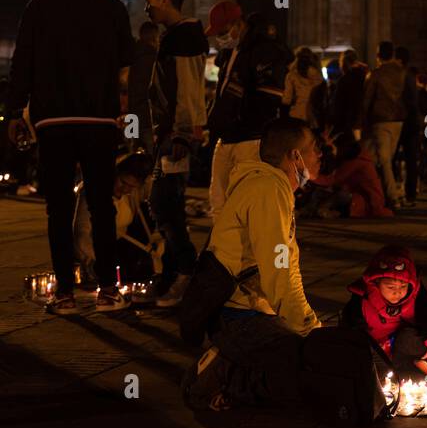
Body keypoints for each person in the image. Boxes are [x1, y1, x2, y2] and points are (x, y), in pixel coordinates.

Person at [6, 0, 135, 315]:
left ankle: (64, 293)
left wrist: (15, 112)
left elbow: (22, 62)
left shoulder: (39, 6)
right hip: (98, 120)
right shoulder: (112, 8)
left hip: (53, 121)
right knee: (101, 206)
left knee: (58, 208)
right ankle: (108, 290)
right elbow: (127, 64)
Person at [181, 117, 320, 412]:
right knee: (306, 370)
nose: (319, 155)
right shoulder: (268, 189)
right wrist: (309, 327)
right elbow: (278, 271)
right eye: (314, 148)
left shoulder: (270, 185)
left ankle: (235, 358)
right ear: (294, 156)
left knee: (312, 356)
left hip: (252, 308)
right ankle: (222, 376)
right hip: (238, 314)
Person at [144, 0, 208, 309]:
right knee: (163, 204)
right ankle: (170, 274)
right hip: (170, 134)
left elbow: (185, 89)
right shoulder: (179, 36)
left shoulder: (182, 38)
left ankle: (185, 271)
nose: (146, 7)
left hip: (177, 137)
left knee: (165, 203)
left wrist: (182, 133)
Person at [206, 9, 291, 220]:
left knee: (245, 201)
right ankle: (222, 249)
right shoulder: (233, 52)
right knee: (218, 200)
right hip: (227, 136)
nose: (221, 38)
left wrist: (242, 121)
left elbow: (268, 98)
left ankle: (246, 249)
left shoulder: (263, 51)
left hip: (249, 137)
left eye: (223, 31)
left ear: (238, 24)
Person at [341, 245, 427, 377]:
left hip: (419, 337)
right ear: (376, 282)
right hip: (386, 350)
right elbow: (353, 333)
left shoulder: (415, 292)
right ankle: (426, 360)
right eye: (390, 287)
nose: (398, 292)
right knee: (406, 338)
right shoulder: (362, 300)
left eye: (403, 286)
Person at [74, 151, 164, 286]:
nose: (125, 189)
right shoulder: (91, 190)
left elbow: (158, 197)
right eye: (123, 182)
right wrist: (97, 259)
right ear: (115, 174)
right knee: (118, 272)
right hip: (94, 247)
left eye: (132, 186)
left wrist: (158, 236)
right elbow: (81, 234)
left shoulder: (135, 191)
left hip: (120, 241)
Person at [360, 41, 407, 211]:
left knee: (384, 161)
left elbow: (366, 100)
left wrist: (361, 122)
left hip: (381, 120)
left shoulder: (375, 74)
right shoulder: (402, 73)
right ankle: (389, 194)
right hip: (398, 121)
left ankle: (393, 198)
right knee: (387, 159)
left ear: (378, 55)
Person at [309, 136, 394, 219]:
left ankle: (322, 209)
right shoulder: (361, 158)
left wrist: (309, 176)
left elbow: (332, 180)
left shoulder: (355, 162)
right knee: (330, 193)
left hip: (365, 203)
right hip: (368, 200)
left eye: (334, 145)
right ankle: (325, 210)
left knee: (339, 195)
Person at [127, 20, 160, 156]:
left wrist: (131, 129)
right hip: (149, 122)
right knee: (154, 162)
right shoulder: (155, 60)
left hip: (132, 119)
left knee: (133, 161)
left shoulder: (131, 58)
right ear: (154, 38)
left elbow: (131, 94)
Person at [394, 46, 421, 207]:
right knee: (411, 159)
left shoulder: (402, 76)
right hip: (412, 122)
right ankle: (410, 193)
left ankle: (405, 192)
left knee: (399, 158)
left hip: (404, 122)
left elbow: (409, 101)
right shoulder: (410, 76)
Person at [329, 48, 368, 154]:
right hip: (364, 120)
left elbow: (338, 104)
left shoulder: (345, 80)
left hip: (348, 121)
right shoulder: (366, 77)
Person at [282, 46, 322, 124]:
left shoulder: (291, 76)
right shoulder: (318, 76)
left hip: (296, 116)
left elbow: (287, 100)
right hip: (313, 118)